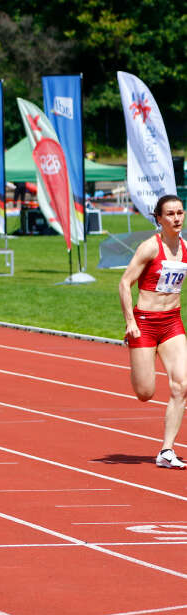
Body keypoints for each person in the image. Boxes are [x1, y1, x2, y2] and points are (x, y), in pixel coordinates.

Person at [119, 195, 187, 469]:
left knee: (182, 385)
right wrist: (130, 322)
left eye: (180, 213)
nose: (177, 218)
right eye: (170, 214)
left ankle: (167, 451)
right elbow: (125, 283)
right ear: (158, 218)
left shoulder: (184, 247)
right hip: (145, 323)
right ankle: (138, 362)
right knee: (145, 393)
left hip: (172, 322)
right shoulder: (150, 247)